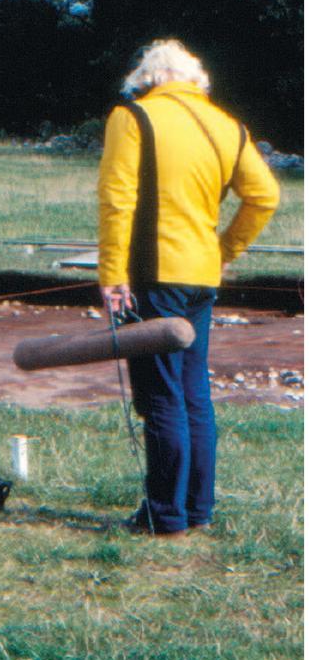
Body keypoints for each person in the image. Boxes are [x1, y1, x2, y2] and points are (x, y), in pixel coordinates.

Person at [98, 39, 279, 536]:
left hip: (154, 275)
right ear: (194, 80)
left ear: (150, 78)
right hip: (201, 276)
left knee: (160, 396)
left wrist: (113, 274)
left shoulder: (132, 117)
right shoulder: (228, 126)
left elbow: (118, 200)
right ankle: (197, 509)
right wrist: (222, 252)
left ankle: (164, 515)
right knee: (194, 392)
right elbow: (265, 197)